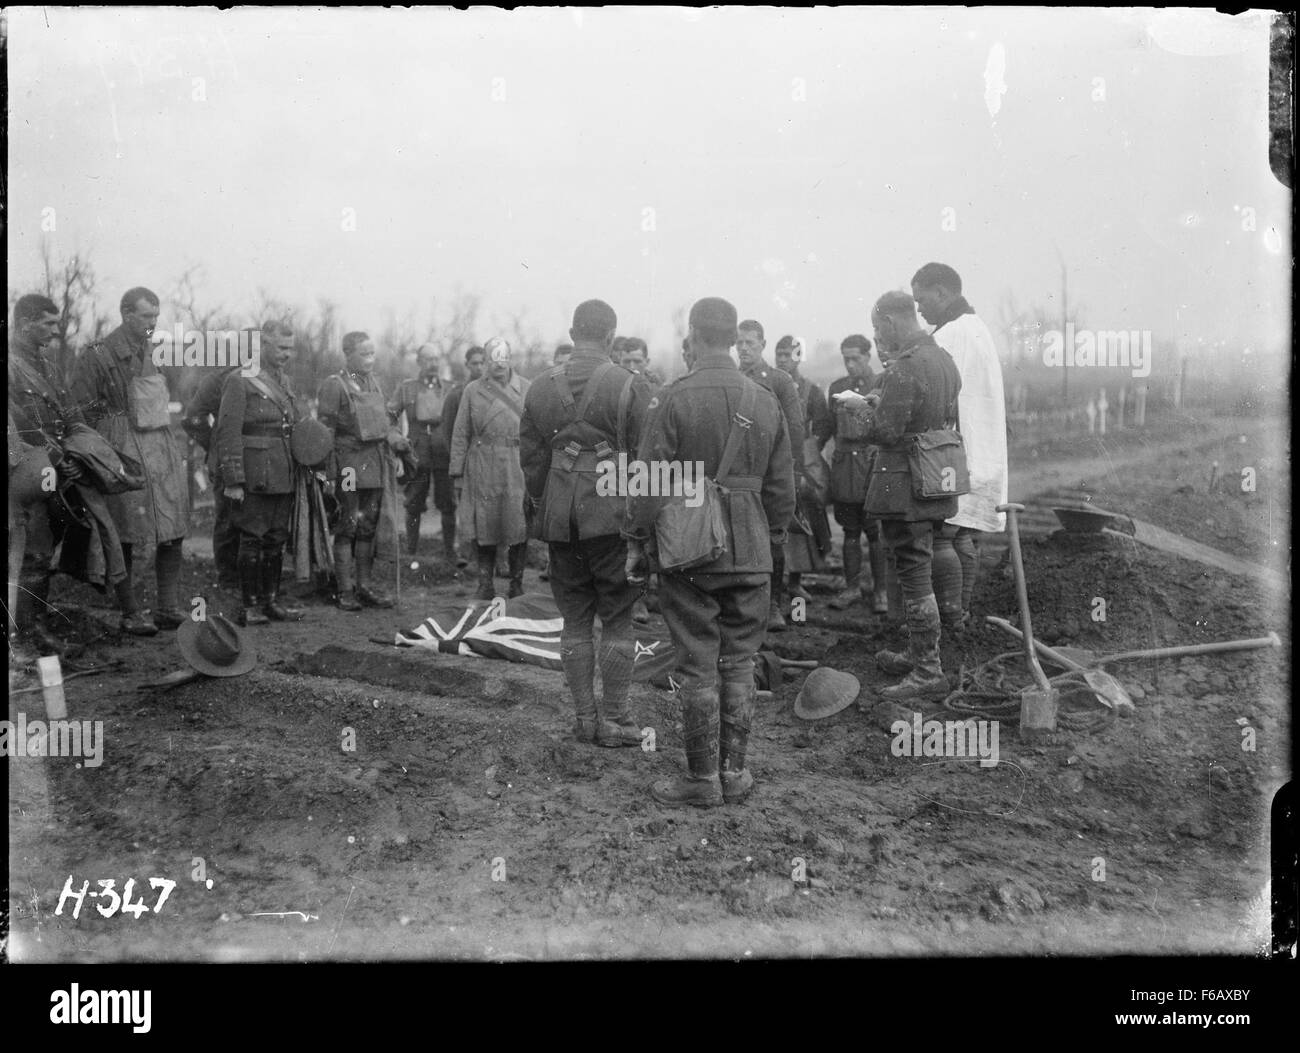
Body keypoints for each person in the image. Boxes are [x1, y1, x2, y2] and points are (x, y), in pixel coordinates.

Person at [626, 297, 795, 808]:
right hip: (752, 549)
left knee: (697, 663)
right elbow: (783, 489)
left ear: (695, 336)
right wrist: (771, 540)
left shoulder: (671, 398)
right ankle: (735, 775)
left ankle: (701, 781)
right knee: (741, 662)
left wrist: (638, 541)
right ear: (730, 336)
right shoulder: (765, 398)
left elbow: (648, 483)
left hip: (691, 551)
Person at [520, 299, 651, 746]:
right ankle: (616, 721)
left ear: (573, 333)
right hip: (613, 516)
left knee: (574, 619)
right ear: (611, 336)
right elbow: (647, 459)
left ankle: (584, 719)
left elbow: (532, 461)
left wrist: (548, 502)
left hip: (560, 519)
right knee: (617, 616)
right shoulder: (631, 386)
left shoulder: (538, 387)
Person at [833, 292, 961, 703]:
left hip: (905, 482)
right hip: (935, 476)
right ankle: (919, 654)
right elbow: (929, 411)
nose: (877, 335)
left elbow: (887, 431)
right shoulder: (942, 359)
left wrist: (861, 410)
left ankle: (927, 669)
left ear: (890, 322)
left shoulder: (905, 368)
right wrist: (882, 402)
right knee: (917, 562)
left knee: (912, 568)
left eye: (877, 327)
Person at [72, 286, 190, 635]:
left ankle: (167, 607)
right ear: (126, 314)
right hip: (120, 447)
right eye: (146, 316)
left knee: (173, 527)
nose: (153, 322)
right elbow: (80, 410)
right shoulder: (97, 354)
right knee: (124, 532)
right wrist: (97, 454)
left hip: (160, 446)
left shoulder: (157, 351)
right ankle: (130, 611)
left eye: (156, 315)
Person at [912, 262, 1008, 633]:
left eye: (922, 300)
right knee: (965, 532)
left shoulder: (951, 335)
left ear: (942, 292)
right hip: (984, 450)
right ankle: (961, 617)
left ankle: (950, 620)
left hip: (956, 452)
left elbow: (933, 392)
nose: (920, 309)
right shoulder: (978, 328)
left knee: (944, 533)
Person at [8, 294, 91, 650]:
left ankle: (34, 625)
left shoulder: (49, 365)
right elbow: (21, 424)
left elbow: (71, 412)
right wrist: (58, 457)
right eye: (48, 324)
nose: (56, 332)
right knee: (33, 549)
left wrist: (80, 453)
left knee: (46, 547)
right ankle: (28, 635)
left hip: (53, 469)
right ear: (25, 322)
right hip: (24, 470)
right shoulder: (11, 365)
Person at [215, 320, 307, 626]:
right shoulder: (239, 380)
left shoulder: (286, 383)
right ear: (263, 345)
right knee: (252, 537)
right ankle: (250, 604)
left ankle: (271, 601)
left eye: (290, 348)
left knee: (276, 538)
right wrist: (233, 480)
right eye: (281, 348)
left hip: (283, 469)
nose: (287, 354)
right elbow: (228, 432)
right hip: (254, 473)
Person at [317, 331, 403, 611]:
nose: (370, 359)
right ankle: (345, 590)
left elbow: (383, 424)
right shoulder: (335, 385)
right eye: (364, 354)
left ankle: (363, 587)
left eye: (372, 353)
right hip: (349, 466)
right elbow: (324, 432)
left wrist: (396, 442)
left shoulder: (374, 383)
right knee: (348, 524)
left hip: (374, 464)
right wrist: (329, 473)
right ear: (348, 354)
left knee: (368, 526)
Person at [448, 336, 531, 600]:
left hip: (516, 464)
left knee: (518, 523)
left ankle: (516, 584)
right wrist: (457, 473)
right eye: (492, 358)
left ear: (510, 359)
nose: (498, 363)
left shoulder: (527, 389)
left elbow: (536, 432)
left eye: (503, 357)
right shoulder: (473, 390)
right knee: (485, 525)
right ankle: (485, 584)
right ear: (485, 361)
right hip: (483, 464)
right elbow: (461, 432)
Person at [736, 318, 804, 632]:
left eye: (751, 342)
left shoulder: (778, 381)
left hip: (771, 473)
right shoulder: (732, 379)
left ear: (763, 344)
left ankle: (774, 605)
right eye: (740, 343)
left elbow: (794, 430)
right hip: (739, 471)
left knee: (774, 539)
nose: (744, 348)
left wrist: (793, 475)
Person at [822, 334, 889, 612]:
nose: (850, 364)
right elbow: (827, 428)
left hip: (873, 464)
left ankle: (881, 592)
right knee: (850, 530)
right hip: (845, 467)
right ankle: (852, 588)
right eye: (845, 359)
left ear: (867, 356)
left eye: (855, 358)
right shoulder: (837, 388)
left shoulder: (881, 385)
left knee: (874, 532)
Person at [774, 335, 832, 601]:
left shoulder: (811, 390)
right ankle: (771, 586)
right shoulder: (768, 384)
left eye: (789, 355)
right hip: (772, 461)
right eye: (780, 355)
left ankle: (794, 583)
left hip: (799, 464)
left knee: (800, 524)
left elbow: (824, 425)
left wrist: (810, 446)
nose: (783, 360)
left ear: (798, 357)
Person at [182, 348, 244, 591]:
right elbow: (193, 418)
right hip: (226, 460)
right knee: (228, 521)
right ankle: (228, 580)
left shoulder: (269, 378)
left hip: (258, 460)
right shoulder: (218, 379)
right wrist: (214, 444)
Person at [390, 343, 456, 561]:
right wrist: (396, 438)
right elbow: (388, 416)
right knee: (414, 501)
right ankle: (411, 552)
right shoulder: (407, 388)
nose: (433, 364)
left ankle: (450, 552)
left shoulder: (450, 388)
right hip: (417, 452)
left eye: (436, 359)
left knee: (447, 502)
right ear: (419, 362)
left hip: (444, 451)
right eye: (428, 359)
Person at [441, 345, 486, 570]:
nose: (479, 367)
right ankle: (465, 551)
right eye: (474, 363)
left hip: (489, 461)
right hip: (466, 461)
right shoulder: (457, 394)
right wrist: (457, 462)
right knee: (465, 508)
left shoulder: (495, 391)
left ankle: (491, 557)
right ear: (467, 365)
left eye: (482, 362)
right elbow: (449, 431)